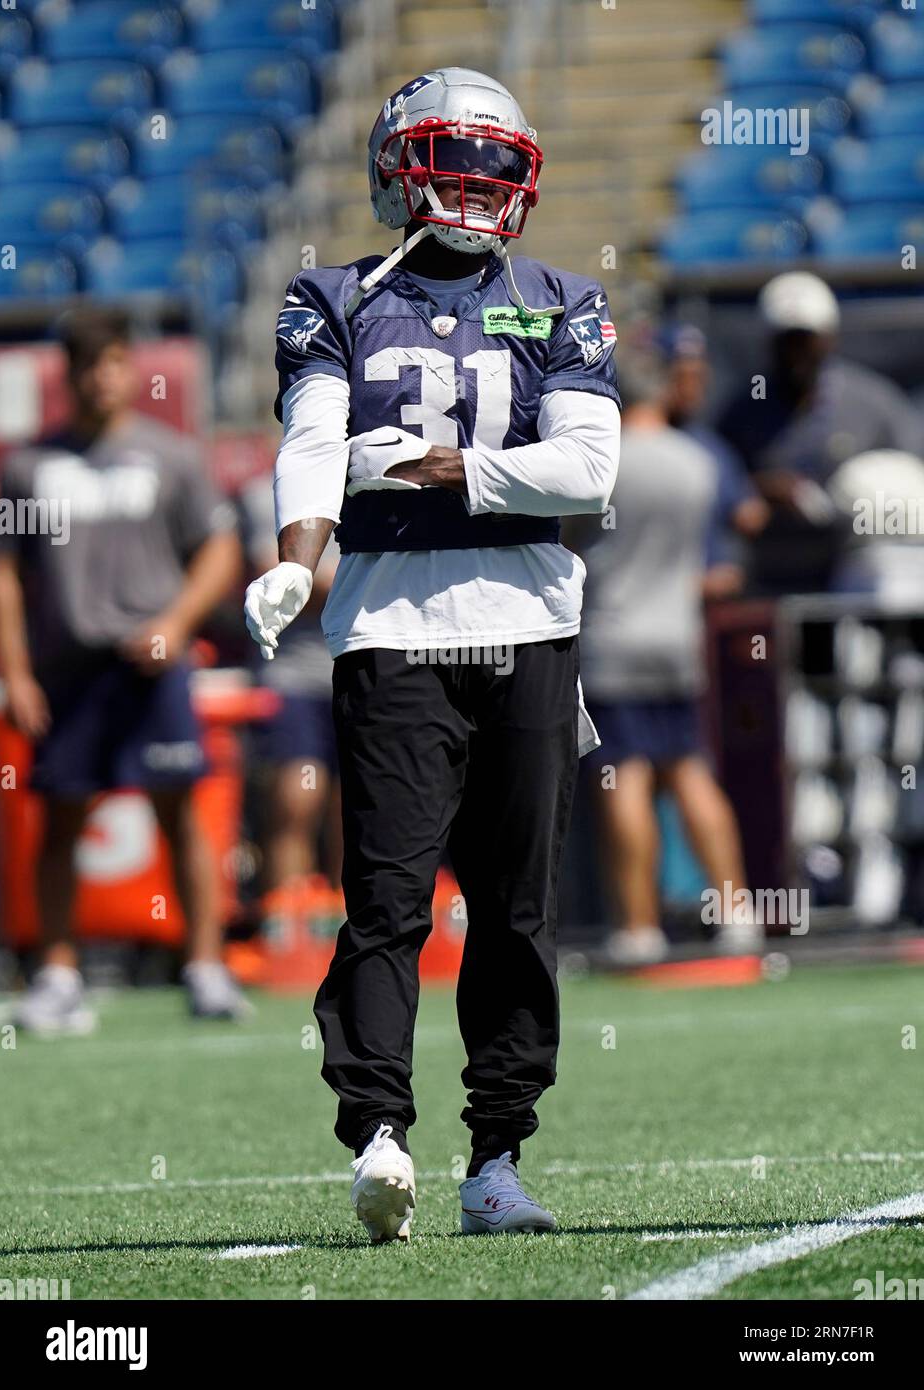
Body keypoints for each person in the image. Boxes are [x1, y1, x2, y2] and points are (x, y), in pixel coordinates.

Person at [244, 68, 620, 1242]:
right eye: (462, 159)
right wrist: (299, 560)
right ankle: (380, 1137)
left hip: (528, 627)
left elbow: (589, 470)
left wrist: (441, 467)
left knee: (514, 910)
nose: (480, 185)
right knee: (386, 903)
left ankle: (497, 1157)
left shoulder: (562, 297)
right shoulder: (335, 295)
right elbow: (313, 440)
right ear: (403, 168)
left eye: (497, 162)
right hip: (391, 630)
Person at [0, 307, 245, 1032]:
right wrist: (15, 672)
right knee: (60, 818)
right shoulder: (28, 466)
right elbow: (5, 573)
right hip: (67, 669)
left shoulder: (171, 456)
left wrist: (175, 625)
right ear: (68, 377)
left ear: (130, 370)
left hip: (154, 668)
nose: (100, 378)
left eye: (111, 363)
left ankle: (205, 967)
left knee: (181, 815)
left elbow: (218, 551)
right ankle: (58, 974)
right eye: (85, 366)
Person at [575, 351, 756, 965]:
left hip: (613, 635)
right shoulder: (697, 461)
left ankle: (639, 927)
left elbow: (570, 539)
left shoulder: (604, 459)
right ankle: (736, 916)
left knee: (623, 775)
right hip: (676, 635)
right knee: (689, 770)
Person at [718, 272, 923, 595]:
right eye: (788, 341)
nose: (797, 354)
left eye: (806, 340)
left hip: (856, 581)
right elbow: (722, 490)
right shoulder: (744, 413)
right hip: (774, 577)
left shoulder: (873, 403)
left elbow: (911, 474)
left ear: (829, 338)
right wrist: (759, 488)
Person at [238, 473, 342, 909]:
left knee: (363, 807)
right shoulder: (267, 490)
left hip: (369, 667)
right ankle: (289, 931)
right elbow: (278, 576)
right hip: (294, 674)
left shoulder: (383, 475)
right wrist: (373, 585)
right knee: (295, 802)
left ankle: (360, 933)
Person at [661, 322, 768, 600]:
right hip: (657, 602)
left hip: (715, 606)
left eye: (698, 376)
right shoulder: (637, 444)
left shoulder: (713, 448)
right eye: (680, 376)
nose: (690, 388)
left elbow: (748, 515)